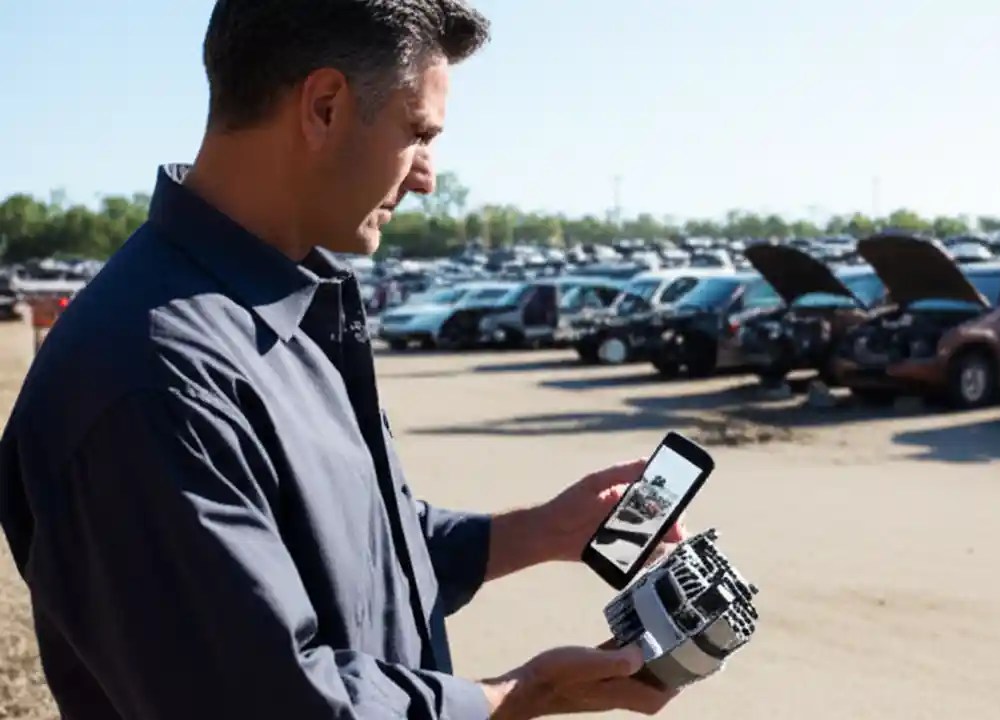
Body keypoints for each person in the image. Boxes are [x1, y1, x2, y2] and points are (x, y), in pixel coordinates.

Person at [0, 1, 682, 718]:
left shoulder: (282, 308)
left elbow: (352, 553)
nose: (427, 177)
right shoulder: (150, 377)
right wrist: (518, 697)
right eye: (417, 134)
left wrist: (537, 532)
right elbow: (269, 702)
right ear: (324, 107)